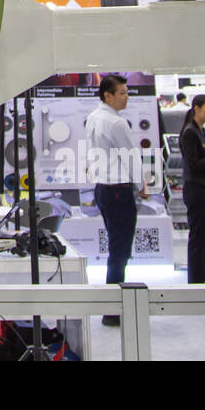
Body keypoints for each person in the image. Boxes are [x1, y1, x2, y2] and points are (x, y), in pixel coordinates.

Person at [85, 74, 147, 325]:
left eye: (127, 92)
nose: (126, 97)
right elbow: (130, 156)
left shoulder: (93, 118)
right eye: (121, 92)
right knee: (120, 250)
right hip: (119, 189)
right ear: (107, 95)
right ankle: (113, 311)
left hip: (103, 189)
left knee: (116, 248)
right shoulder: (116, 123)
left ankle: (113, 305)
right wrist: (142, 184)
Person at [179, 94, 205, 284]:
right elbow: (192, 163)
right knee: (198, 237)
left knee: (204, 237)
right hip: (196, 189)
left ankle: (200, 280)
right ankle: (196, 282)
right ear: (197, 108)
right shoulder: (190, 132)